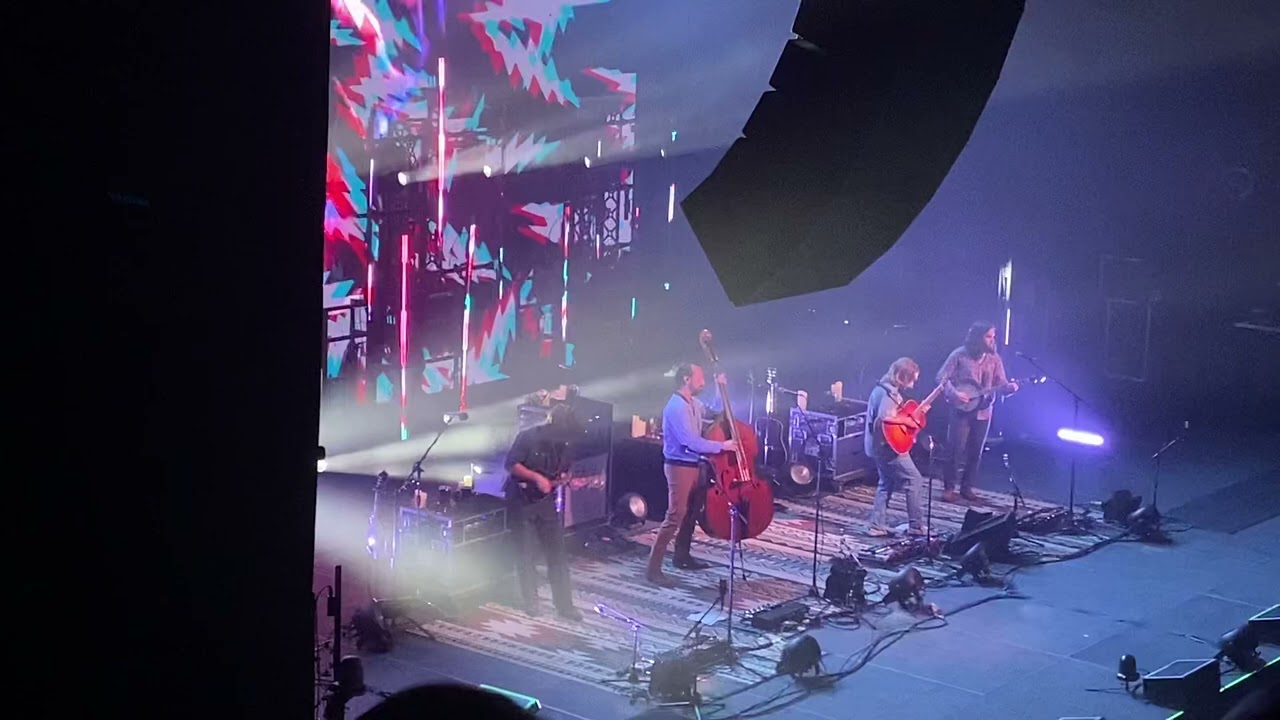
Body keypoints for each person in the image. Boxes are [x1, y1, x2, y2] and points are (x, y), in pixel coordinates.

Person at [645, 362, 737, 587]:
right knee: (675, 516)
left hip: (694, 465)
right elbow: (691, 441)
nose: (702, 381)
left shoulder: (693, 403)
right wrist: (723, 446)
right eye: (699, 377)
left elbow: (716, 409)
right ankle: (653, 569)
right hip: (679, 466)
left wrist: (719, 386)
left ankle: (682, 555)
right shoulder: (676, 407)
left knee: (691, 513)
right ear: (686, 379)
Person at [504, 403, 583, 621]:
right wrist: (537, 478)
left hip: (546, 503)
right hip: (521, 500)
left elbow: (565, 469)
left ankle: (564, 605)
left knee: (557, 553)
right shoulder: (528, 437)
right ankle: (531, 601)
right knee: (526, 553)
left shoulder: (566, 444)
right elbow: (511, 464)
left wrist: (566, 479)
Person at [935, 321, 1019, 503]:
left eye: (993, 336)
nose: (992, 340)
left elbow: (1001, 383)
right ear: (978, 338)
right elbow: (941, 377)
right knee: (955, 450)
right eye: (988, 336)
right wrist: (955, 393)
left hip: (984, 411)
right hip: (961, 410)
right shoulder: (959, 355)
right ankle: (949, 488)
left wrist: (1010, 388)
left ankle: (967, 487)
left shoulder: (995, 359)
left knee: (976, 452)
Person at [865, 357, 927, 537]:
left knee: (886, 483)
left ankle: (876, 525)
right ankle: (916, 526)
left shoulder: (881, 388)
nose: (914, 383)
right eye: (912, 378)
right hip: (887, 448)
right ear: (902, 376)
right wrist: (907, 420)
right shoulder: (889, 394)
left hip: (877, 446)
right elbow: (886, 416)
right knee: (914, 479)